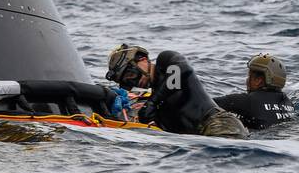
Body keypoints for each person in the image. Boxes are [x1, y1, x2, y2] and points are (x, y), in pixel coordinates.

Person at [105, 44, 248, 138]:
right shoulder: (156, 103)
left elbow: (180, 71)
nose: (134, 82)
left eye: (131, 74)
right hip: (197, 138)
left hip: (219, 123)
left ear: (142, 59)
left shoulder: (166, 61)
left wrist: (152, 103)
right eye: (128, 83)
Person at [215, 54, 295, 130]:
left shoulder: (249, 101)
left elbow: (210, 104)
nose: (247, 80)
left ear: (258, 81)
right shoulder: (288, 103)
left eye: (249, 76)